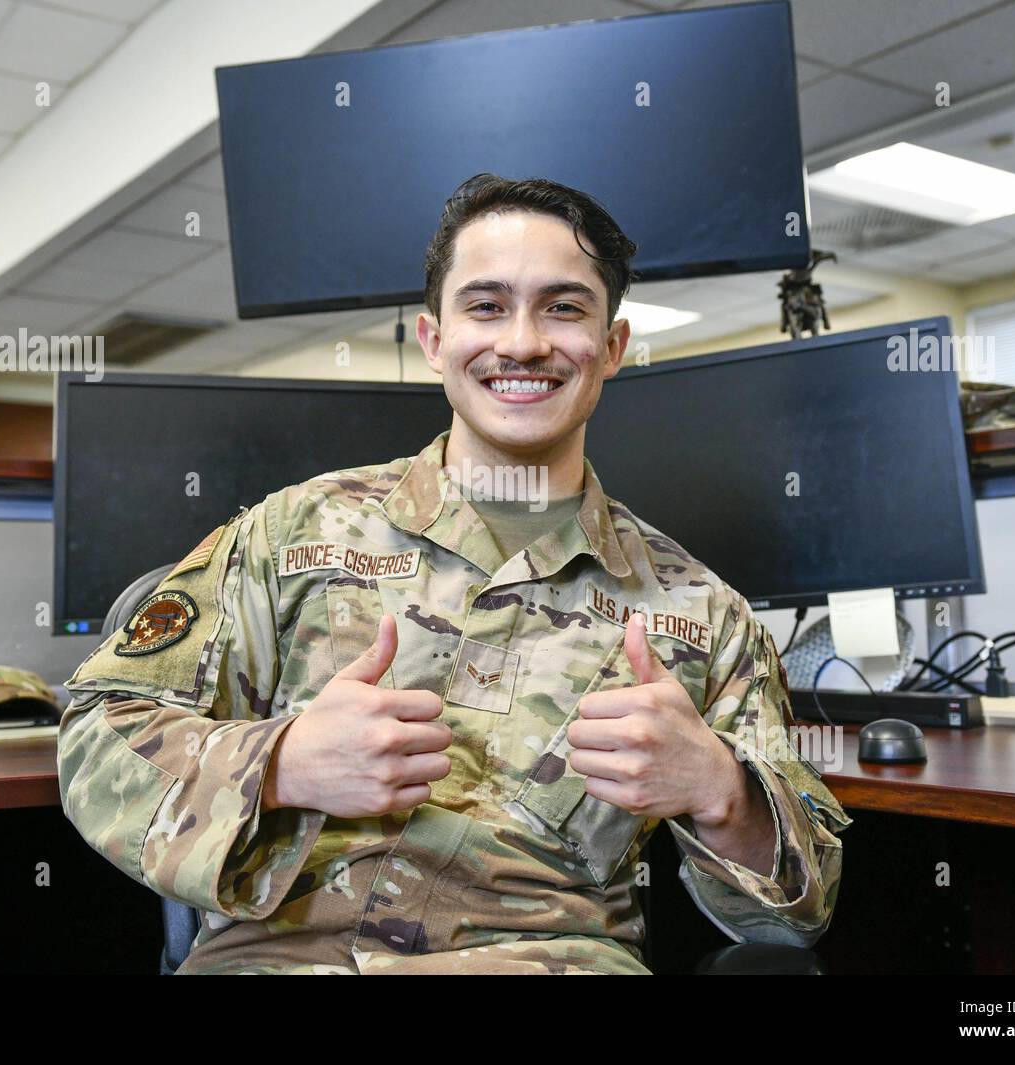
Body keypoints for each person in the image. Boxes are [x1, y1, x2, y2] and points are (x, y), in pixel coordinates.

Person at [59, 173, 851, 974]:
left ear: (611, 348)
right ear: (434, 340)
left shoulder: (701, 613)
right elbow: (95, 736)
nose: (521, 343)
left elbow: (796, 918)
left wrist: (719, 787)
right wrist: (284, 761)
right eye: (485, 306)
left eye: (565, 307)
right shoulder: (293, 532)